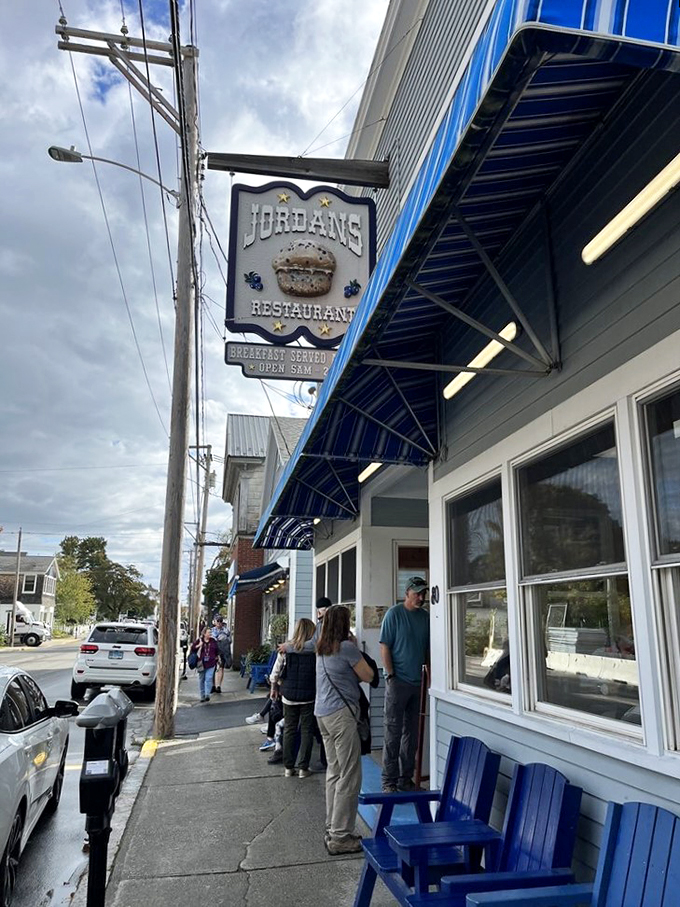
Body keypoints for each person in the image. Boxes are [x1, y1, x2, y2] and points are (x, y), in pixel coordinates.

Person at [315, 605, 376, 855]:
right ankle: (341, 836)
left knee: (335, 772)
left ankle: (333, 827)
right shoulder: (347, 648)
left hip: (323, 714)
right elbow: (370, 675)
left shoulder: (321, 650)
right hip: (341, 715)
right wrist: (355, 646)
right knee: (350, 775)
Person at [379, 576, 430, 793]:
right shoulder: (394, 614)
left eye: (423, 593)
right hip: (398, 682)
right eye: (417, 593)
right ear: (407, 592)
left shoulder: (425, 617)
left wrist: (430, 675)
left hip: (418, 682)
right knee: (393, 732)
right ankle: (388, 781)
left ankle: (405, 778)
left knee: (412, 733)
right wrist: (390, 675)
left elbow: (427, 649)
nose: (421, 597)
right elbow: (385, 646)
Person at [270, 617, 317, 778]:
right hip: (309, 694)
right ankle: (304, 767)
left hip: (288, 695)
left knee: (289, 729)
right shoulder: (315, 651)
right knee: (306, 730)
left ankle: (288, 767)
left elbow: (276, 671)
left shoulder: (286, 649)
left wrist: (274, 687)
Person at [190, 627, 219, 703]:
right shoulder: (199, 640)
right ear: (204, 633)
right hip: (201, 663)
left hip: (211, 663)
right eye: (209, 632)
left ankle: (207, 695)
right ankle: (202, 696)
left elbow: (217, 650)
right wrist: (199, 645)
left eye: (210, 632)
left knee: (209, 678)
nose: (210, 634)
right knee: (202, 680)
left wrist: (217, 657)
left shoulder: (213, 641)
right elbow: (192, 649)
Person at [211, 614, 232, 694]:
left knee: (221, 668)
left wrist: (224, 641)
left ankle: (218, 686)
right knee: (212, 669)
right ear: (214, 622)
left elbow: (230, 641)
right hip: (213, 652)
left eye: (221, 621)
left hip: (222, 652)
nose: (219, 622)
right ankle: (213, 686)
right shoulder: (211, 631)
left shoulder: (226, 631)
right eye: (218, 621)